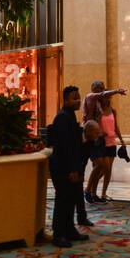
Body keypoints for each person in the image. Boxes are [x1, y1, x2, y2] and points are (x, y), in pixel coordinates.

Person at [47, 86, 90, 247]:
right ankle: (58, 234)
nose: (78, 100)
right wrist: (72, 169)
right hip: (63, 167)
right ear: (65, 100)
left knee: (71, 199)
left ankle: (69, 229)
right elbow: (65, 147)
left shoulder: (69, 116)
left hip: (71, 166)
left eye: (78, 97)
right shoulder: (63, 118)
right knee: (63, 200)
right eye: (74, 98)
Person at [82, 80, 127, 206]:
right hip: (91, 138)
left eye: (103, 88)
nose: (102, 91)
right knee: (100, 165)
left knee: (102, 167)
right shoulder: (90, 97)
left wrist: (120, 139)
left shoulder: (99, 104)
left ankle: (93, 193)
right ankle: (87, 190)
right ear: (94, 89)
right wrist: (117, 91)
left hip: (100, 138)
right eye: (100, 88)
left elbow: (113, 125)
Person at [95, 97, 126, 202]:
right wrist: (99, 133)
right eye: (105, 97)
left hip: (112, 142)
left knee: (108, 171)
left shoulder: (113, 111)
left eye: (109, 97)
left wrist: (121, 140)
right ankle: (90, 188)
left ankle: (103, 194)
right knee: (105, 169)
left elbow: (115, 126)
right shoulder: (98, 111)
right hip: (103, 143)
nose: (108, 99)